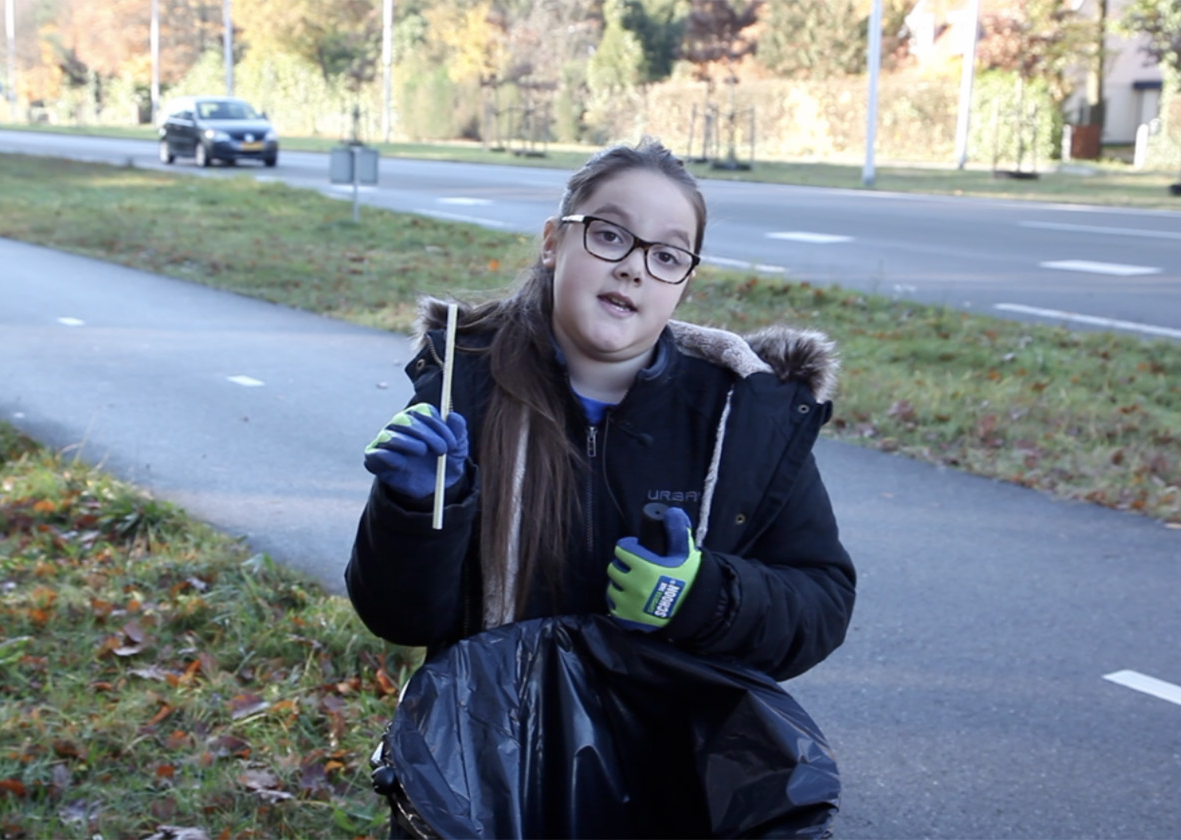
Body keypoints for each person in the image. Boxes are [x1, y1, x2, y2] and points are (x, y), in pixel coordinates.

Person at [347, 136, 854, 685]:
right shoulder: (464, 385)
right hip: (495, 732)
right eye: (609, 235)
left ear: (684, 284)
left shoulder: (744, 413)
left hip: (672, 738)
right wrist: (419, 511)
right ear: (552, 243)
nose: (634, 268)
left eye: (666, 256)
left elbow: (821, 604)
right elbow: (399, 618)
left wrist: (699, 596)